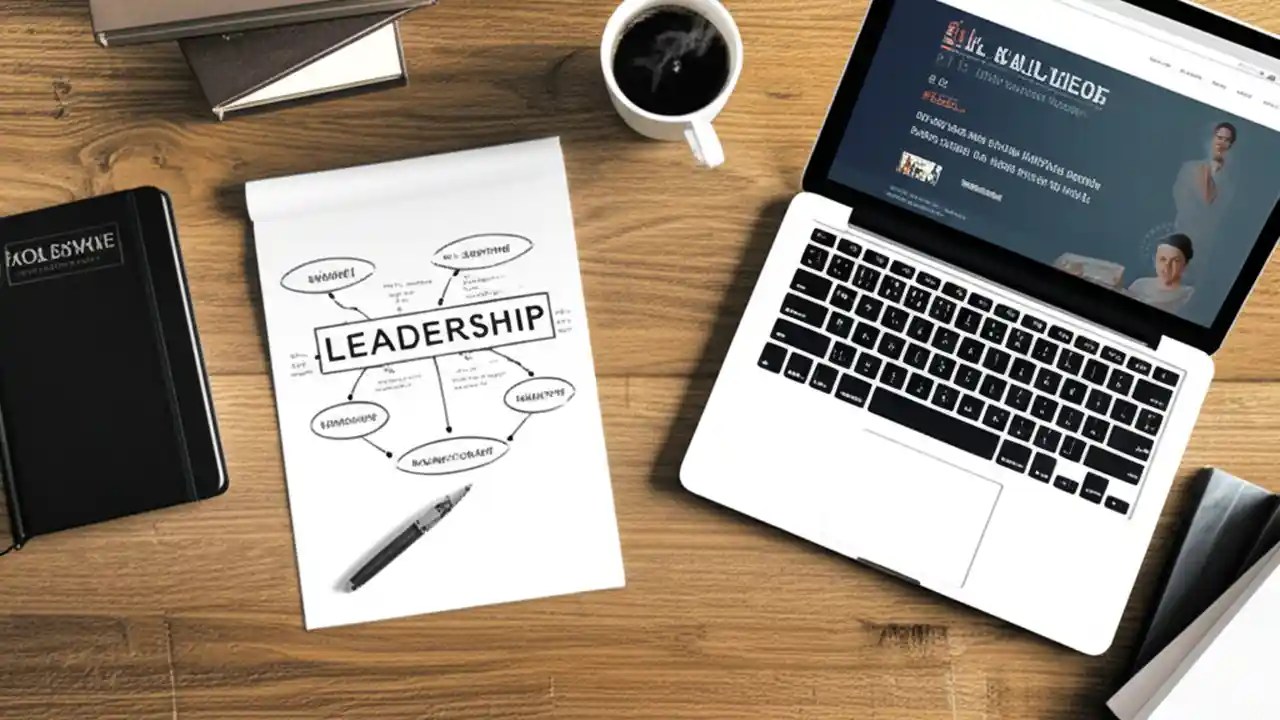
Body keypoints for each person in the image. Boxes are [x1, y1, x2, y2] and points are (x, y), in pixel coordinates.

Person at [1172, 122, 1238, 263]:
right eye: (1219, 137)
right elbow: (1182, 201)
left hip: (1206, 248)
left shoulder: (1229, 184)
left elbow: (1220, 216)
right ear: (1211, 139)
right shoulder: (1189, 169)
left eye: (1226, 140)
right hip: (1181, 237)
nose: (1221, 143)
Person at [1127, 233, 1196, 314]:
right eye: (1163, 259)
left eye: (1175, 261)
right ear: (1155, 260)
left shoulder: (1189, 295)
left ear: (1185, 265)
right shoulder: (1139, 285)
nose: (1167, 265)